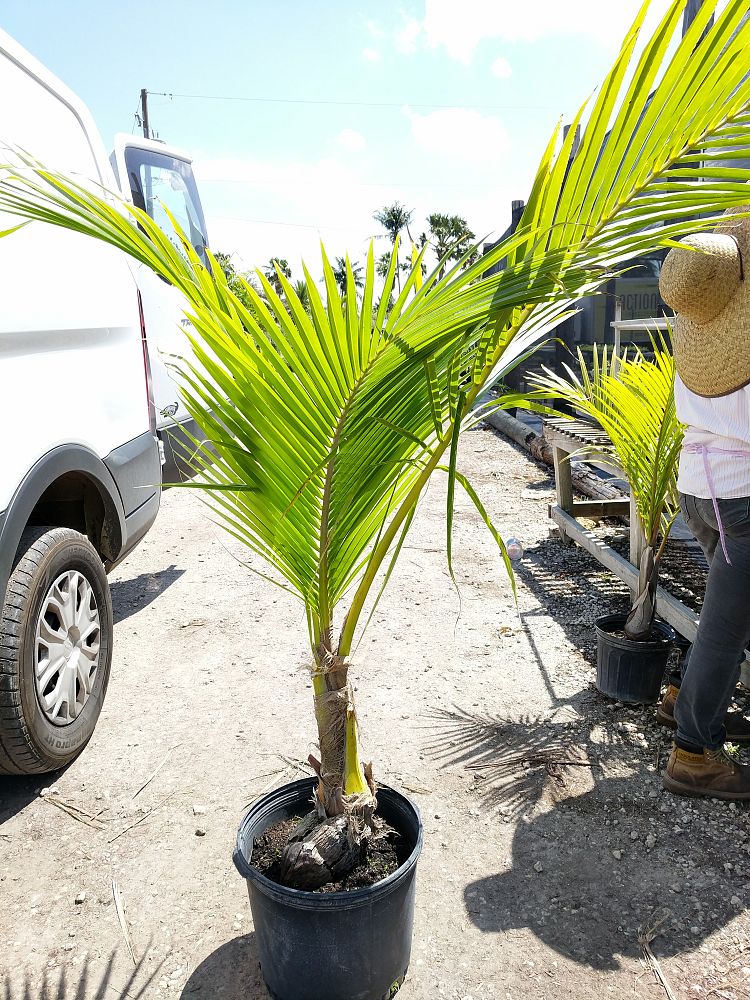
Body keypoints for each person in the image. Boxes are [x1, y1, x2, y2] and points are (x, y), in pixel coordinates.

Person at [657, 207, 750, 799]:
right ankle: (693, 752)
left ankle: (681, 697)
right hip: (743, 500)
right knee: (725, 626)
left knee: (725, 615)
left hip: (701, 490)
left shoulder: (697, 351)